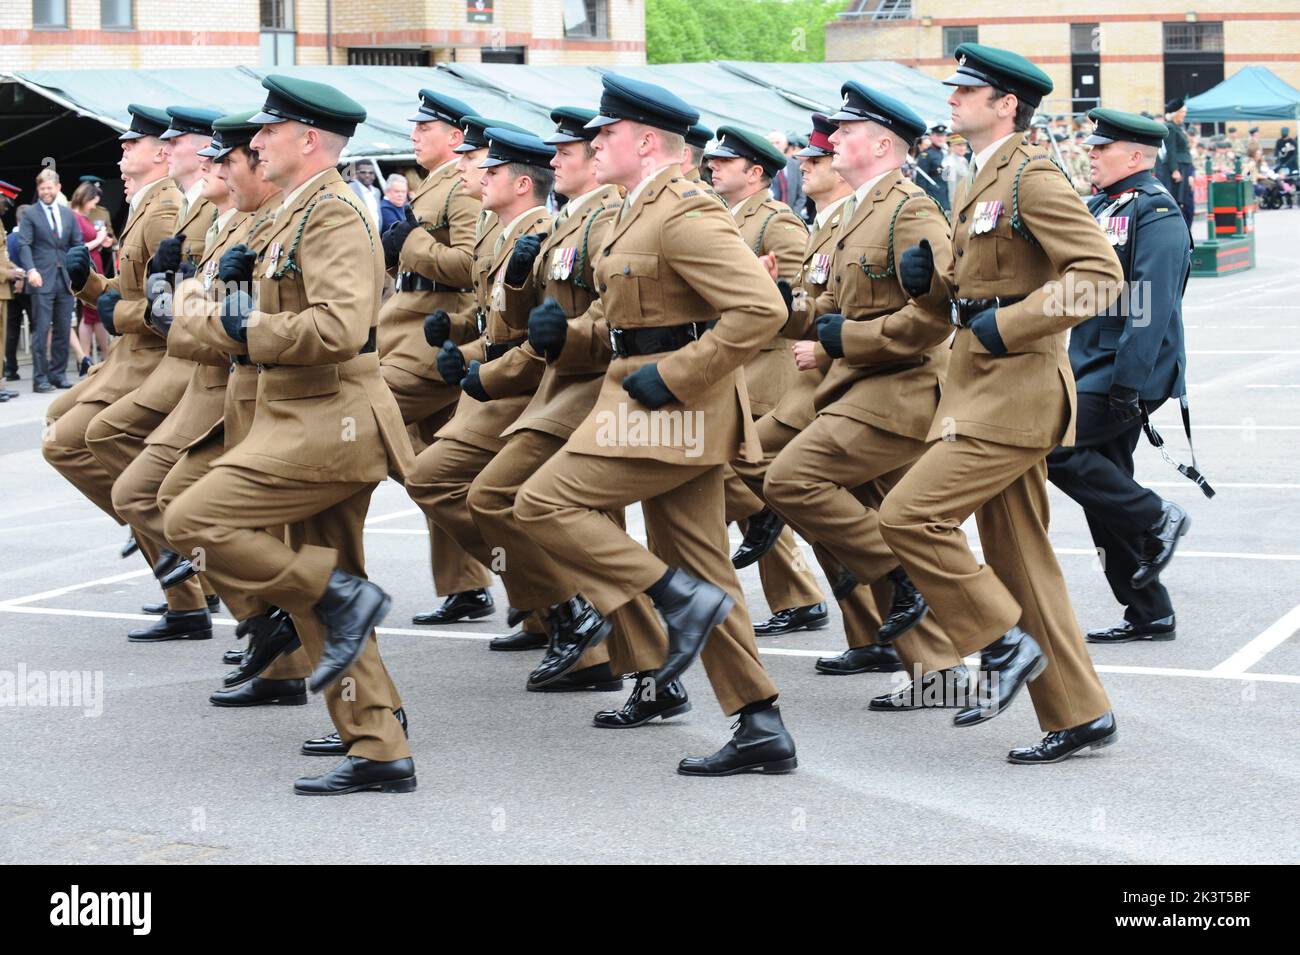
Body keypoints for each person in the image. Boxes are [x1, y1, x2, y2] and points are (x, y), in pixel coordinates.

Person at [514, 73, 797, 776]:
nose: (591, 143)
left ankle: (673, 597)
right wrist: (567, 338)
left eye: (604, 133)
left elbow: (761, 309)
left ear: (644, 141)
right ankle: (759, 722)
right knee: (706, 566)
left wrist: (674, 375)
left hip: (670, 410)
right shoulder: (631, 210)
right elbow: (631, 325)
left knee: (541, 501)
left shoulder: (682, 211)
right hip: (646, 398)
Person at [164, 74, 416, 796]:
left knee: (193, 515)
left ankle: (336, 603)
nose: (255, 144)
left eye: (268, 132)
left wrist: (244, 324)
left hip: (332, 418)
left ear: (307, 139)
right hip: (297, 411)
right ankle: (377, 743)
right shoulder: (290, 213)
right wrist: (228, 312)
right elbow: (208, 314)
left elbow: (339, 327)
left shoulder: (332, 213)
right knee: (323, 580)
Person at [878, 42, 1123, 764]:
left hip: (1015, 391)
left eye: (967, 90)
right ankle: (1081, 711)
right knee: (1022, 562)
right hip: (980, 386)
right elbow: (975, 285)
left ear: (1005, 104)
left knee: (908, 514)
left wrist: (1010, 323)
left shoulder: (1031, 176)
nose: (952, 99)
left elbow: (1100, 275)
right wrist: (930, 280)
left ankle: (999, 643)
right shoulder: (978, 177)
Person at [761, 87, 967, 706]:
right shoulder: (855, 214)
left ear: (881, 146)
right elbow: (820, 311)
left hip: (898, 390)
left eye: (845, 133)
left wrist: (848, 340)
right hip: (855, 390)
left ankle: (907, 580)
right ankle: (938, 673)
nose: (827, 144)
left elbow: (937, 314)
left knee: (790, 480)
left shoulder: (911, 211)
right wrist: (765, 297)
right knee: (887, 522)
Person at [462, 106, 668, 702]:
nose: (556, 162)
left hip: (593, 391)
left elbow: (608, 319)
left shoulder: (606, 219)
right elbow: (534, 322)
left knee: (505, 499)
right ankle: (628, 654)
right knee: (573, 523)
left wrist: (500, 372)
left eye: (569, 152)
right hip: (557, 386)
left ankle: (583, 618)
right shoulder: (565, 225)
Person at [1047, 108, 1192, 645]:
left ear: (1135, 156)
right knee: (1104, 481)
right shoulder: (1104, 206)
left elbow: (1150, 307)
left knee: (1051, 444)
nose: (1091, 155)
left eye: (1101, 149)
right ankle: (1148, 611)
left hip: (1127, 370)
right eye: (1090, 148)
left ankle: (1156, 516)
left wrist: (1129, 383)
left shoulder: (1156, 213)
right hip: (1090, 363)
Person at [376, 92, 496, 628]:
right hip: (406, 333)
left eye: (425, 128)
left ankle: (538, 578)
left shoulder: (464, 185)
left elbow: (473, 265)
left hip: (433, 342)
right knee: (442, 472)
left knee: (356, 420)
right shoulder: (434, 184)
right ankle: (473, 585)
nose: (414, 136)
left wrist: (409, 244)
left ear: (454, 137)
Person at [702, 125, 828, 638]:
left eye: (725, 162)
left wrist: (760, 282)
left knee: (739, 478)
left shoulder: (775, 221)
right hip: (733, 368)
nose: (712, 167)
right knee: (742, 479)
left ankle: (802, 589)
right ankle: (799, 597)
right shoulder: (722, 218)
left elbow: (797, 302)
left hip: (766, 371)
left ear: (755, 173)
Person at [16, 168, 79, 392]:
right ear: (38, 189)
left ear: (58, 188)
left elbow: (77, 244)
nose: (45, 192)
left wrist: (78, 272)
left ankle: (58, 374)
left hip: (65, 280)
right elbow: (24, 244)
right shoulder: (31, 214)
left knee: (63, 328)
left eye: (49, 188)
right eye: (42, 189)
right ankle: (40, 378)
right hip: (41, 278)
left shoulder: (68, 214)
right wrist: (31, 270)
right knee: (41, 330)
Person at [68, 180, 113, 373]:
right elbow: (77, 247)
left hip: (94, 265)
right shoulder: (74, 217)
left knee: (93, 315)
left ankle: (92, 358)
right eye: (93, 200)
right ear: (85, 198)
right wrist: (98, 239)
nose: (95, 205)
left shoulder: (82, 216)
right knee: (92, 314)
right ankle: (98, 356)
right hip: (87, 267)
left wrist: (103, 242)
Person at [0, 181, 23, 401]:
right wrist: (9, 273)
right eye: (4, 203)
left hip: (2, 289)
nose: (6, 208)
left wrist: (14, 269)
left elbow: (2, 255)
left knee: (1, 339)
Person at [4, 204, 32, 384]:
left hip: (10, 286)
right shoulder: (26, 237)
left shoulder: (8, 238)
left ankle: (11, 368)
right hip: (28, 286)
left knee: (11, 330)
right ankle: (41, 365)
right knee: (38, 326)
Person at [1159, 98, 1195, 227]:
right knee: (1178, 200)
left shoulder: (1178, 127)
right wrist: (1174, 170)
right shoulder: (1170, 127)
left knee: (1185, 201)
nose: (1184, 114)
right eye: (1182, 112)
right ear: (1176, 113)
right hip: (1177, 167)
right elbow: (1171, 150)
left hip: (1184, 165)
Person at [915, 123, 950, 210]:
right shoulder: (925, 155)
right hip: (932, 197)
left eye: (943, 136)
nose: (941, 138)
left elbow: (947, 177)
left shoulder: (945, 153)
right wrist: (923, 201)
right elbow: (921, 180)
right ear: (931, 136)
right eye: (938, 135)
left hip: (946, 196)